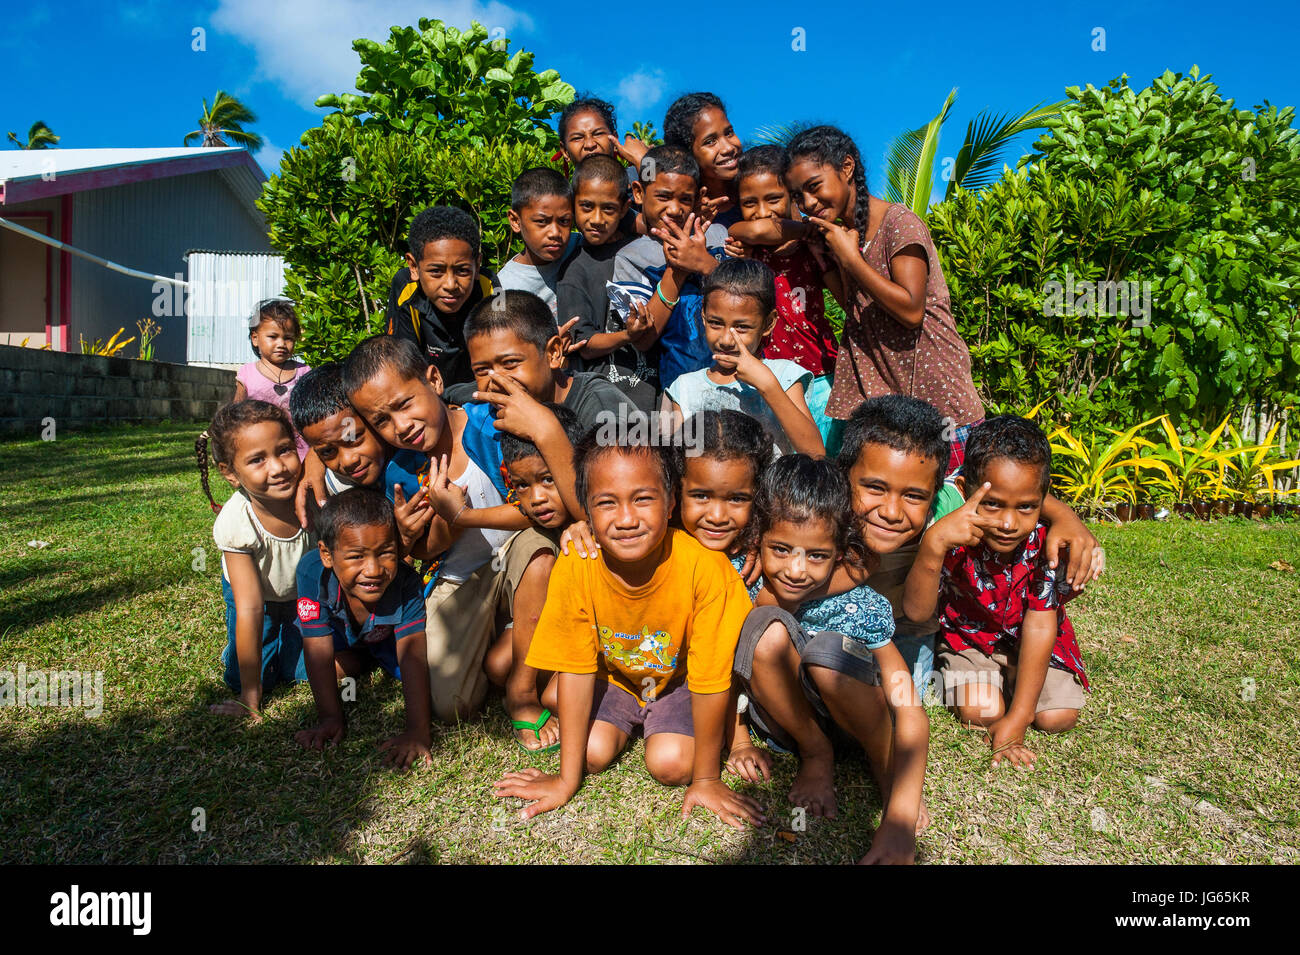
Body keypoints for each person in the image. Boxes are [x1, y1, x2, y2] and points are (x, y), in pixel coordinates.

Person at [492, 434, 766, 829]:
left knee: (672, 764)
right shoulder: (577, 562)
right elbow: (576, 667)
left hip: (676, 683)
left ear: (671, 501)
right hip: (616, 679)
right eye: (606, 502)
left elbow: (710, 678)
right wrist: (567, 780)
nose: (625, 519)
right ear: (584, 511)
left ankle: (658, 726)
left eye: (643, 499)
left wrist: (707, 779)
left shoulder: (704, 567)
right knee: (589, 754)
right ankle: (626, 722)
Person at [839, 395, 1105, 698]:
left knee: (894, 701)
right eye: (875, 488)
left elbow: (1012, 494)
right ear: (843, 477)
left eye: (914, 495)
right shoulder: (827, 508)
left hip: (908, 630)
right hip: (838, 622)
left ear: (936, 490)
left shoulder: (949, 506)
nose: (890, 511)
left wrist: (1067, 517)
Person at [733, 454, 928, 864]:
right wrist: (737, 739)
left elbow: (907, 702)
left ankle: (883, 768)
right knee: (766, 632)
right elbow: (718, 663)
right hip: (783, 723)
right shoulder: (739, 580)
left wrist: (901, 813)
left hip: (855, 724)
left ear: (840, 554)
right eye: (781, 549)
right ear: (757, 540)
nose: (797, 570)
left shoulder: (858, 603)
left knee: (828, 654)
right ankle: (816, 754)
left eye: (817, 555)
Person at [342, 335, 533, 724]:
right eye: (381, 420)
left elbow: (538, 510)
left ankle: (520, 673)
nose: (401, 426)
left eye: (404, 404)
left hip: (520, 558)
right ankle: (505, 643)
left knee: (539, 553)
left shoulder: (491, 425)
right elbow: (425, 552)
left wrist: (462, 515)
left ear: (434, 380)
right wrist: (416, 534)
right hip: (463, 577)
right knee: (450, 706)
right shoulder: (399, 471)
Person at [786, 125, 982, 466]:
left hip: (933, 395)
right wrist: (828, 262)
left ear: (847, 168)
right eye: (798, 195)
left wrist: (850, 259)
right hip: (885, 397)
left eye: (814, 187)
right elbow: (855, 303)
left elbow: (910, 310)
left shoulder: (899, 223)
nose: (808, 203)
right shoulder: (845, 235)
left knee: (948, 503)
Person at [903, 416, 1091, 769]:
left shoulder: (1046, 544)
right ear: (964, 488)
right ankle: (987, 683)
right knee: (982, 712)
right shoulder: (950, 534)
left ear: (1042, 500)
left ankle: (1018, 686)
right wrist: (933, 545)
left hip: (1031, 642)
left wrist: (1018, 721)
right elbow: (916, 612)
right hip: (968, 642)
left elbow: (1039, 625)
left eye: (1026, 507)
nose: (1008, 523)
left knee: (1058, 718)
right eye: (992, 504)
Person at [293, 488, 432, 769]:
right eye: (356, 556)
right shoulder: (311, 572)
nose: (373, 570)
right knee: (305, 673)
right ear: (326, 554)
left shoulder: (405, 582)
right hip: (342, 639)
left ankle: (371, 657)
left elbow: (413, 656)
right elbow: (318, 648)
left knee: (431, 690)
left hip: (388, 642)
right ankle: (363, 658)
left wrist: (419, 731)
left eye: (385, 553)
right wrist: (330, 718)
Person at [197, 400, 313, 721]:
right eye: (257, 460)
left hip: (296, 595)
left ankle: (280, 641)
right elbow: (249, 606)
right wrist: (250, 696)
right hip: (251, 599)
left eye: (285, 450)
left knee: (301, 673)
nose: (277, 468)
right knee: (245, 676)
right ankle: (232, 650)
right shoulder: (237, 522)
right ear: (231, 474)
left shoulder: (312, 496)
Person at [462, 289, 630, 507]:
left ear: (553, 353)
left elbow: (614, 511)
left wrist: (545, 431)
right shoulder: (495, 410)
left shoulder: (602, 409)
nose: (496, 380)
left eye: (510, 363)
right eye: (482, 370)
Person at [726, 145, 841, 445]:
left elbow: (843, 297)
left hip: (823, 376)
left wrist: (816, 247)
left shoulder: (815, 247)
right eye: (750, 202)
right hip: (771, 381)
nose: (762, 211)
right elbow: (750, 227)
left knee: (827, 466)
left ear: (793, 194)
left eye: (773, 198)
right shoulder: (748, 244)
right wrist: (804, 231)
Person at [665, 257, 824, 457]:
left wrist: (769, 387)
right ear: (703, 315)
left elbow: (815, 455)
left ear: (768, 324)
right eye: (715, 323)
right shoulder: (685, 388)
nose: (726, 339)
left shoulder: (784, 376)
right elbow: (676, 462)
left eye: (741, 327)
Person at [496, 404, 585, 752]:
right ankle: (520, 693)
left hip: (580, 631)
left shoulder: (599, 507)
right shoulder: (536, 531)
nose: (536, 499)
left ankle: (530, 678)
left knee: (557, 696)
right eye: (522, 485)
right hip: (542, 621)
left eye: (549, 479)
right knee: (498, 665)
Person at [610, 145, 729, 392]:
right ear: (639, 193)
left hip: (738, 379)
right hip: (679, 392)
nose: (675, 209)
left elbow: (749, 297)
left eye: (685, 199)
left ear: (698, 197)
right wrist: (677, 270)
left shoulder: (718, 237)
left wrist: (705, 264)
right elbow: (643, 339)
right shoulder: (631, 258)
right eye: (663, 197)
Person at [559, 155, 654, 411]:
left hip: (657, 396)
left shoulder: (646, 251)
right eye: (587, 207)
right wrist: (628, 335)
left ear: (625, 208)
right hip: (606, 405)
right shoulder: (573, 270)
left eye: (609, 209)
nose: (597, 218)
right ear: (573, 205)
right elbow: (586, 345)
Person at [386, 205, 498, 406]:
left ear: (477, 264)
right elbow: (403, 366)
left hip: (478, 397)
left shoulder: (489, 286)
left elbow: (501, 353)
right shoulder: (405, 289)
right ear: (413, 267)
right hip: (429, 399)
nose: (450, 285)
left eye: (462, 271)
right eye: (436, 271)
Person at [289, 363, 389, 495]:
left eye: (354, 438)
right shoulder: (333, 490)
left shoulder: (416, 448)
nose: (348, 461)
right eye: (328, 451)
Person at [496, 167, 580, 317]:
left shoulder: (580, 246)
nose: (555, 233)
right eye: (542, 221)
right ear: (515, 221)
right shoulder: (502, 287)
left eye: (564, 221)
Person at [233, 298, 311, 459]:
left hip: (301, 449)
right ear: (255, 338)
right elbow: (236, 412)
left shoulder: (303, 372)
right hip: (261, 447)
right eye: (273, 337)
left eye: (288, 338)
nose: (281, 343)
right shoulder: (247, 373)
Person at [662, 92, 744, 228]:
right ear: (688, 154)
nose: (728, 148)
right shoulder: (683, 210)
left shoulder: (761, 181)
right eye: (710, 141)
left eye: (729, 133)